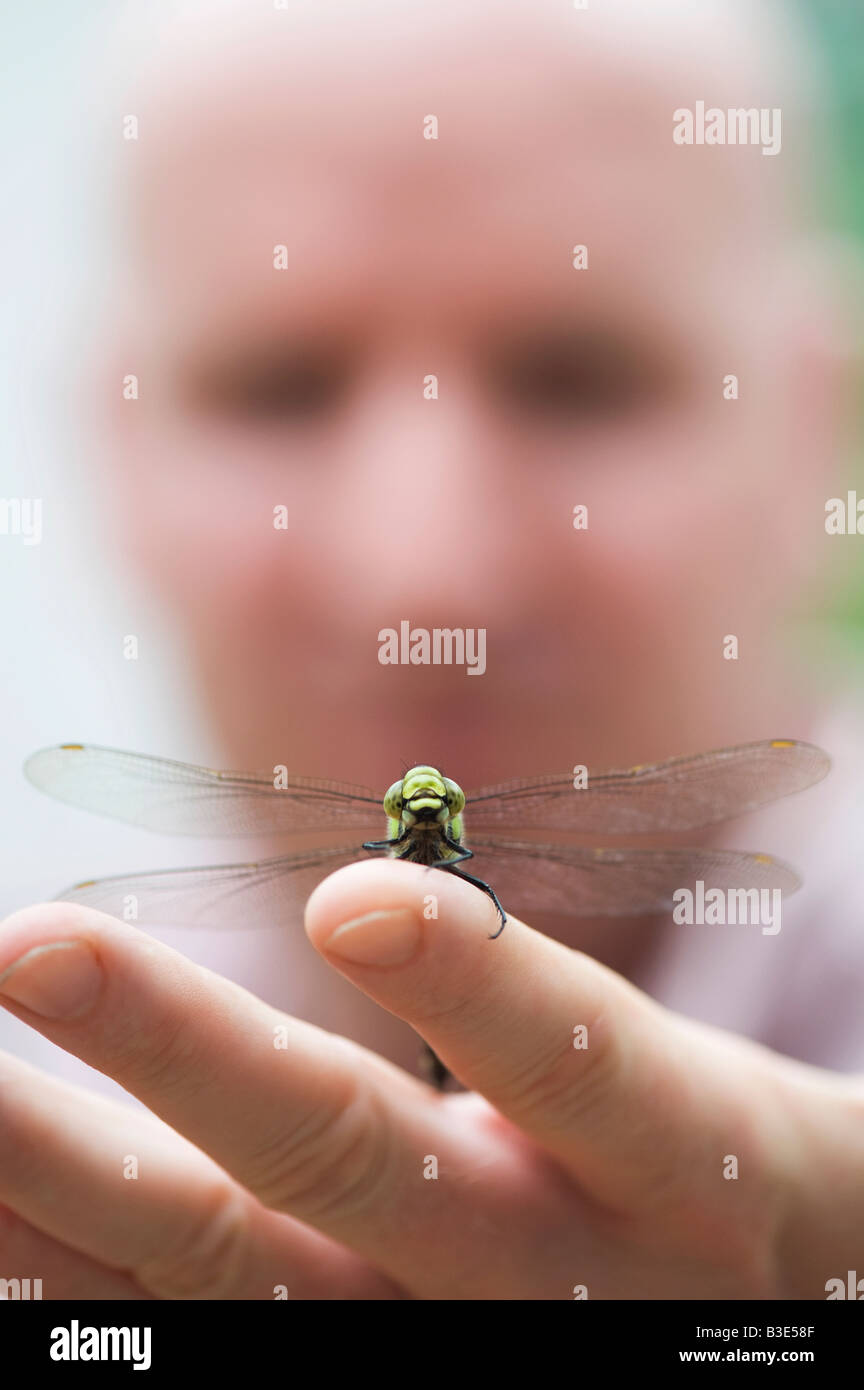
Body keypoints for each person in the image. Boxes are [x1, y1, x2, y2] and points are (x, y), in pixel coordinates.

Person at [1, 0, 861, 1299]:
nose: (426, 572)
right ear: (112, 454)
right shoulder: (50, 1080)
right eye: (280, 384)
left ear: (818, 430)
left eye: (578, 376)